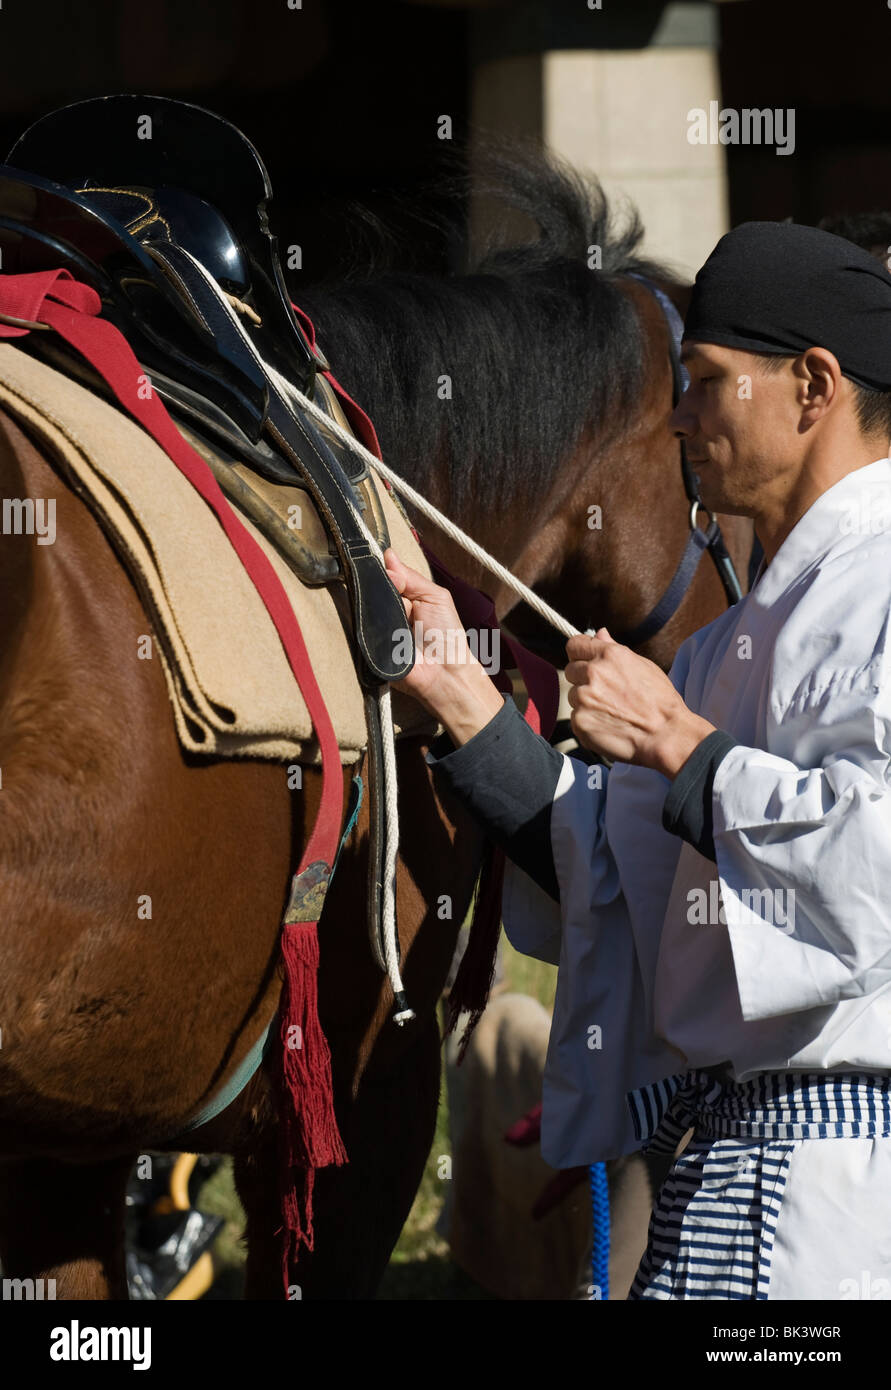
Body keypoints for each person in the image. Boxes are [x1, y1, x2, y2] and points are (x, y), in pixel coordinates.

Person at [382, 219, 891, 1300]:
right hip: (732, 1173)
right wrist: (466, 698)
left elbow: (871, 874)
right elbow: (630, 883)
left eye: (706, 379)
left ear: (812, 385)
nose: (679, 415)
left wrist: (676, 741)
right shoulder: (729, 642)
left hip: (846, 1197)